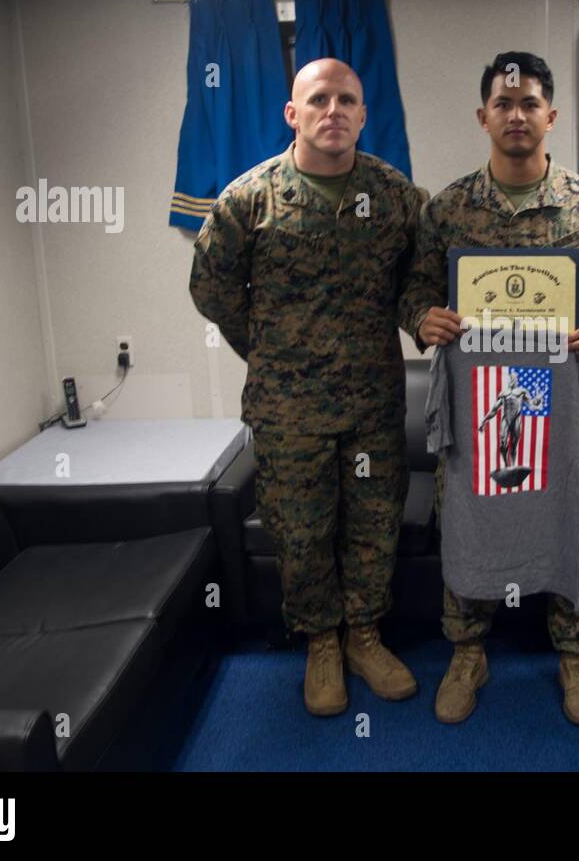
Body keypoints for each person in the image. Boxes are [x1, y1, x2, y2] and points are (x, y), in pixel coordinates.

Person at [401, 51, 579, 725]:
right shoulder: (447, 209)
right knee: (468, 518)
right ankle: (467, 649)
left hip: (559, 403)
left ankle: (576, 651)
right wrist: (422, 317)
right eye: (503, 105)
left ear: (550, 115)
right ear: (483, 117)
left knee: (573, 514)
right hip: (476, 402)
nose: (516, 115)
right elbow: (413, 288)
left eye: (529, 103)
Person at [189, 58, 427, 717]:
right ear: (293, 114)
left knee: (374, 526)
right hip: (288, 409)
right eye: (318, 99)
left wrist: (421, 319)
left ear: (362, 113)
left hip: (373, 404)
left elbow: (418, 283)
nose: (333, 110)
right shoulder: (249, 197)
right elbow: (210, 287)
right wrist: (268, 350)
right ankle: (322, 643)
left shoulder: (395, 195)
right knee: (302, 533)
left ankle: (365, 637)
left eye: (347, 99)